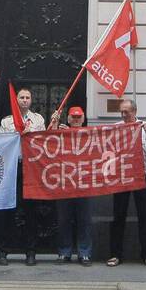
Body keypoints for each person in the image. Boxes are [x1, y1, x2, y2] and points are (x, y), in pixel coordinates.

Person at [0, 85, 45, 266]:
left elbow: (42, 140)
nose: (24, 100)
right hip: (11, 169)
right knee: (7, 211)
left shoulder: (38, 119)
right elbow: (2, 143)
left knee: (31, 213)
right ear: (16, 100)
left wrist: (29, 133)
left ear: (31, 100)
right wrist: (17, 134)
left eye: (27, 97)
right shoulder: (6, 121)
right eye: (22, 97)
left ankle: (31, 252)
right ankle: (2, 252)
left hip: (31, 170)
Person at [106, 97, 146, 268]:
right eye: (122, 112)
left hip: (142, 174)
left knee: (144, 216)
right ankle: (115, 254)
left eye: (126, 112)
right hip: (122, 177)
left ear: (134, 112)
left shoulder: (144, 127)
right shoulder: (116, 128)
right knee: (118, 215)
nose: (124, 114)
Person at [54, 106, 95, 265]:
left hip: (84, 184)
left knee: (84, 220)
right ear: (69, 119)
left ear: (83, 118)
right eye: (74, 117)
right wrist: (55, 129)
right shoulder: (61, 134)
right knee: (64, 219)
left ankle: (84, 252)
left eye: (79, 117)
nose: (76, 120)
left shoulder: (91, 135)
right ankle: (65, 252)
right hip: (64, 184)